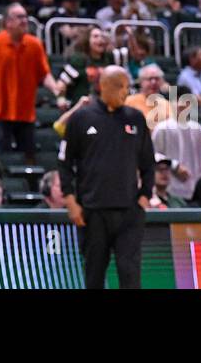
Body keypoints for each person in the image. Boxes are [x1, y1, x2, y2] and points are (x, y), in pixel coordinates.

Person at [60, 66, 154, 289]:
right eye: (120, 86)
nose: (125, 92)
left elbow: (149, 163)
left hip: (129, 212)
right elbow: (64, 162)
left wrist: (145, 196)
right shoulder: (80, 118)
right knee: (94, 275)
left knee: (130, 274)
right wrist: (70, 200)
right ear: (103, 86)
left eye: (128, 87)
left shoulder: (136, 118)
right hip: (92, 212)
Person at [0, 3, 60, 166]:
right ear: (8, 22)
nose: (25, 20)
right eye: (20, 17)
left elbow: (44, 73)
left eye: (26, 16)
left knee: (29, 159)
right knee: (0, 159)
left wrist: (56, 90)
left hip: (26, 113)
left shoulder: (35, 44)